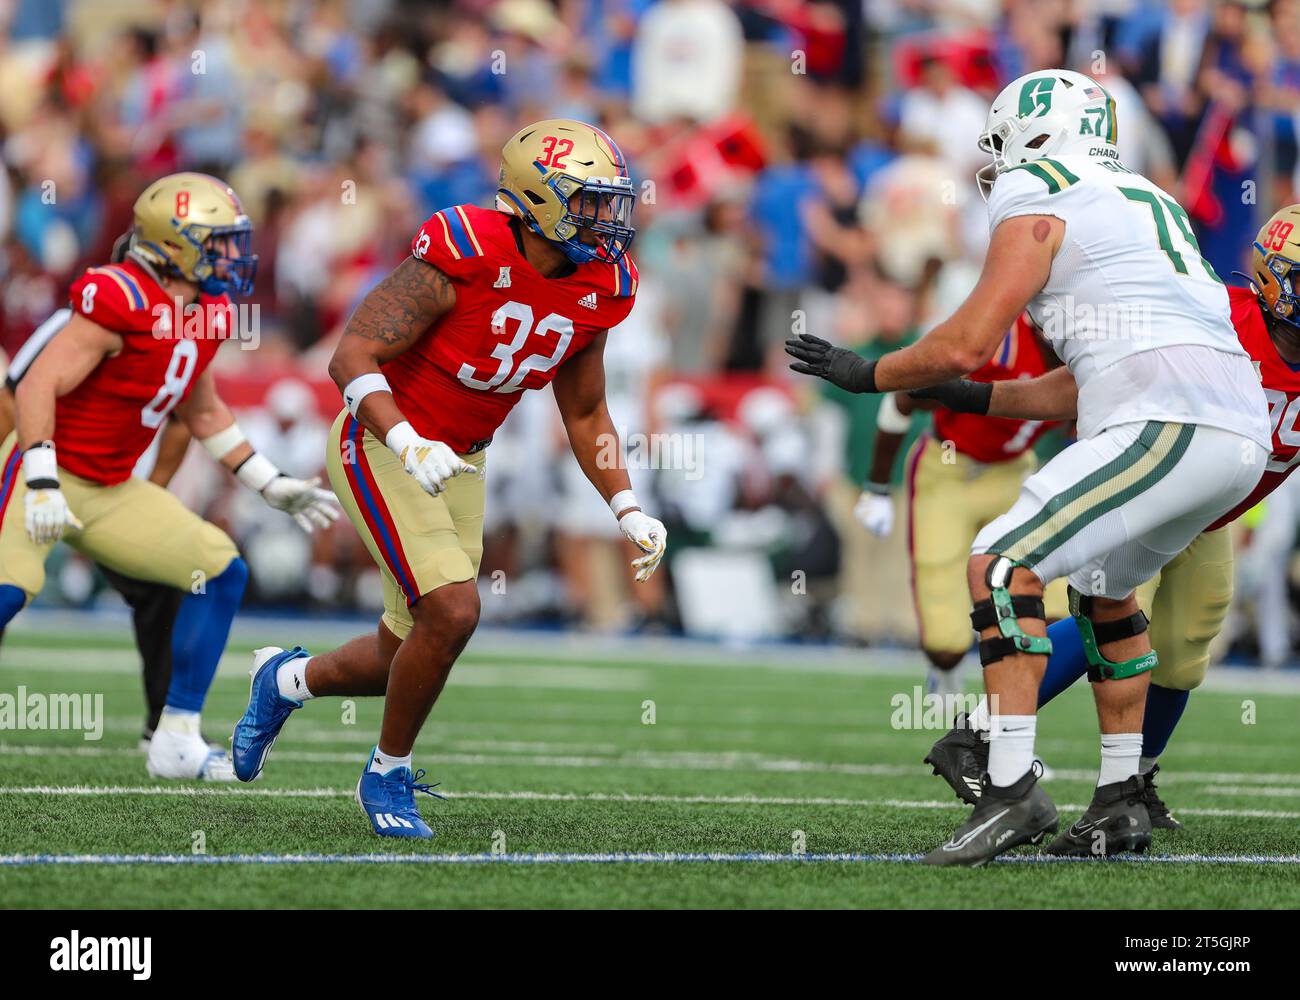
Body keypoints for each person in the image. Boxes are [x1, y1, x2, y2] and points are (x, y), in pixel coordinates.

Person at [787, 70, 1269, 866]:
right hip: (1231, 431)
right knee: (1106, 592)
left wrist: (865, 372)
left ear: (1032, 132)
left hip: (1169, 417)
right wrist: (969, 395)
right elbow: (1074, 382)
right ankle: (1119, 801)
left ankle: (1010, 785)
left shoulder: (1041, 185)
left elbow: (966, 337)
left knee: (1000, 561)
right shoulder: (1147, 203)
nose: (996, 161)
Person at [232, 119, 668, 839]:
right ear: (538, 199)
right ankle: (386, 772)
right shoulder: (464, 247)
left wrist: (626, 506)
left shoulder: (601, 283)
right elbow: (351, 357)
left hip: (463, 454)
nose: (607, 220)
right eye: (589, 202)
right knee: (456, 611)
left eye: (609, 202)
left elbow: (586, 410)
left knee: (403, 650)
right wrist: (405, 440)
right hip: (379, 438)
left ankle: (282, 680)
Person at [919, 204, 1300, 834]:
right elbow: (1098, 375)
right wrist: (985, 398)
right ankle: (977, 736)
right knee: (1103, 612)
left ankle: (1134, 784)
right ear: (1270, 277)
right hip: (1143, 475)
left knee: (1186, 645)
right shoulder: (1218, 312)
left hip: (1208, 512)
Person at [0, 172, 337, 780]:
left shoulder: (205, 311)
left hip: (110, 487)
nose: (234, 256)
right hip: (40, 467)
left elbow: (202, 411)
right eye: (220, 241)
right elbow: (36, 383)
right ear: (174, 244)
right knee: (7, 591)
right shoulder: (118, 296)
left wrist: (267, 481)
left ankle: (175, 737)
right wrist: (43, 478)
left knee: (218, 567)